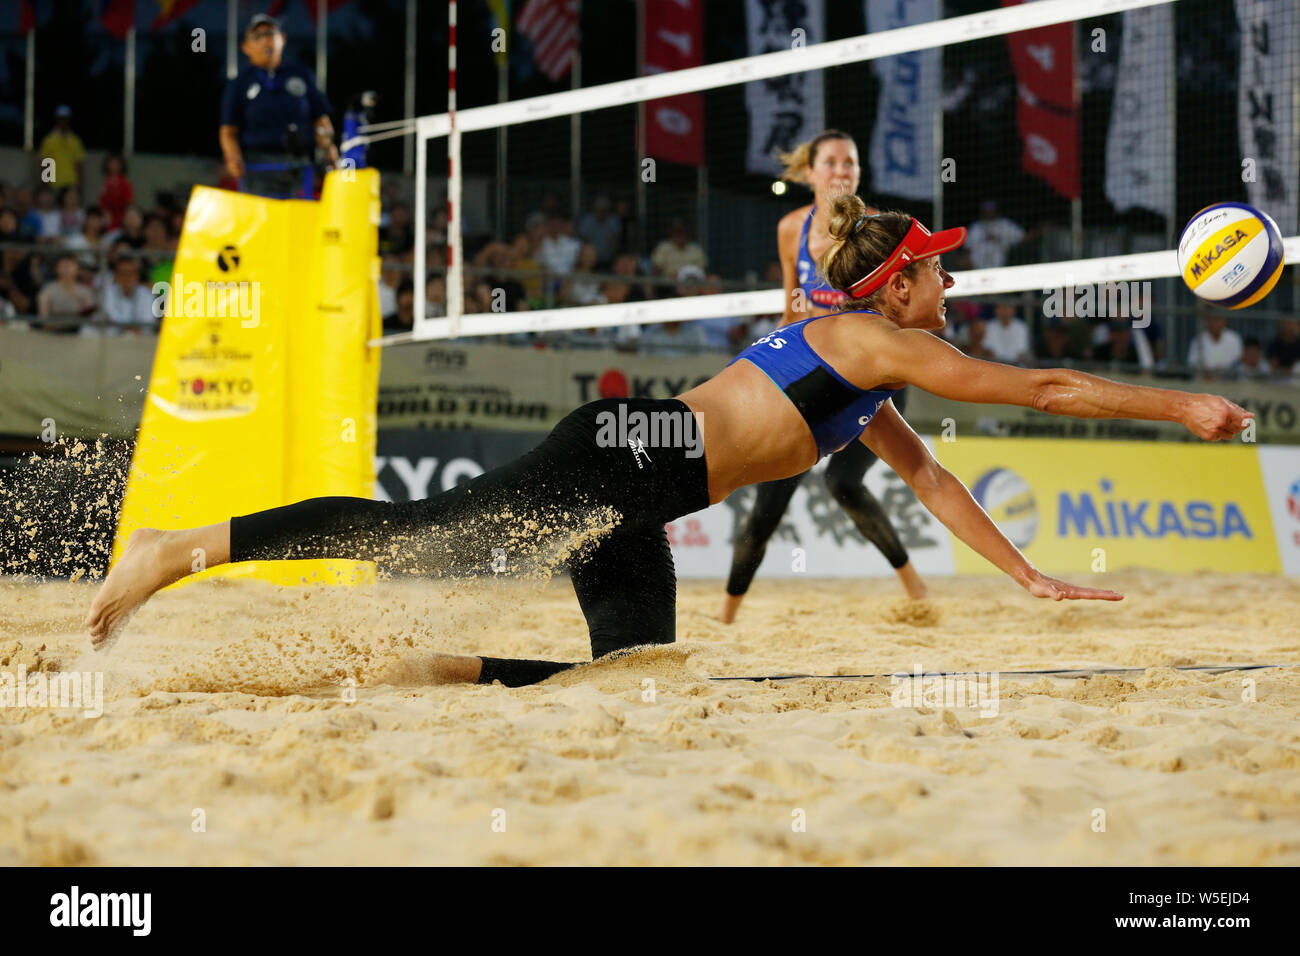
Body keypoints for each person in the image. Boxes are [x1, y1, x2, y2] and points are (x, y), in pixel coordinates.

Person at [85, 199, 1254, 690]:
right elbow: (1041, 387)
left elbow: (935, 478)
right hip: (629, 448)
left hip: (645, 489)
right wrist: (1184, 410)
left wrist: (1027, 574)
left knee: (633, 674)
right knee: (425, 534)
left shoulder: (866, 374)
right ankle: (173, 545)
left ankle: (429, 673)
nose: (951, 278)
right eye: (936, 267)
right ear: (895, 287)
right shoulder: (870, 339)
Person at [719, 129, 925, 627]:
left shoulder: (878, 230)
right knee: (768, 502)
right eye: (830, 163)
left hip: (874, 378)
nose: (842, 172)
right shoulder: (792, 228)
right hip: (815, 378)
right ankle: (725, 616)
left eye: (850, 163)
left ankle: (916, 591)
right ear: (810, 173)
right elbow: (791, 309)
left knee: (844, 481)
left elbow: (903, 311)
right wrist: (769, 365)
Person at [220, 13, 338, 200]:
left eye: (271, 34)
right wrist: (233, 159)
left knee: (300, 219)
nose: (266, 40)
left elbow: (321, 119)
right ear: (246, 47)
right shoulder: (239, 83)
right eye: (258, 36)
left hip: (299, 164)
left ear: (282, 39)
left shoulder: (302, 75)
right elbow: (228, 131)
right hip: (257, 167)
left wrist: (329, 148)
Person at [37, 105, 86, 189]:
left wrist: (79, 186)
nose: (63, 122)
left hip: (71, 183)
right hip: (53, 184)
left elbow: (79, 164)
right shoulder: (49, 140)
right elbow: (44, 163)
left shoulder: (75, 141)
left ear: (69, 120)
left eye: (65, 119)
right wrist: (45, 185)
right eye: (61, 119)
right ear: (56, 120)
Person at [1187, 310, 1243, 378]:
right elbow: (1193, 364)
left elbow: (1238, 362)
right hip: (1205, 379)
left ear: (1225, 321)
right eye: (1213, 320)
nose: (1216, 324)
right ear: (1207, 322)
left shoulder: (1234, 338)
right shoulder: (1198, 339)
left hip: (1228, 379)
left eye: (1219, 320)